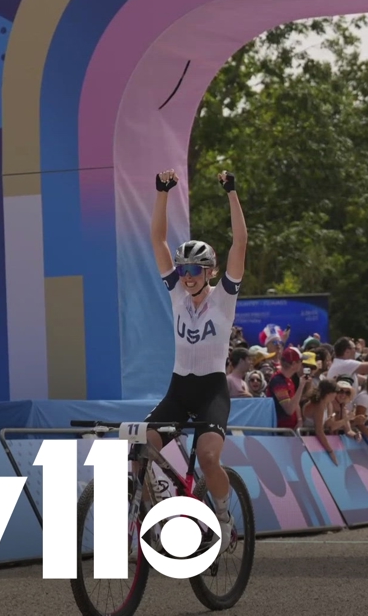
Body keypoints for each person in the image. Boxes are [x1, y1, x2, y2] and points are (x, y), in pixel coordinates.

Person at [143, 167, 246, 553]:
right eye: (183, 269)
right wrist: (162, 192)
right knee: (139, 451)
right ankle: (150, 515)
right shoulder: (176, 296)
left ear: (209, 272)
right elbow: (157, 240)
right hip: (178, 387)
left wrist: (231, 193)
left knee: (206, 455)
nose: (186, 276)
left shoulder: (224, 297)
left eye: (194, 270)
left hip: (210, 391)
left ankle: (223, 516)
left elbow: (240, 243)